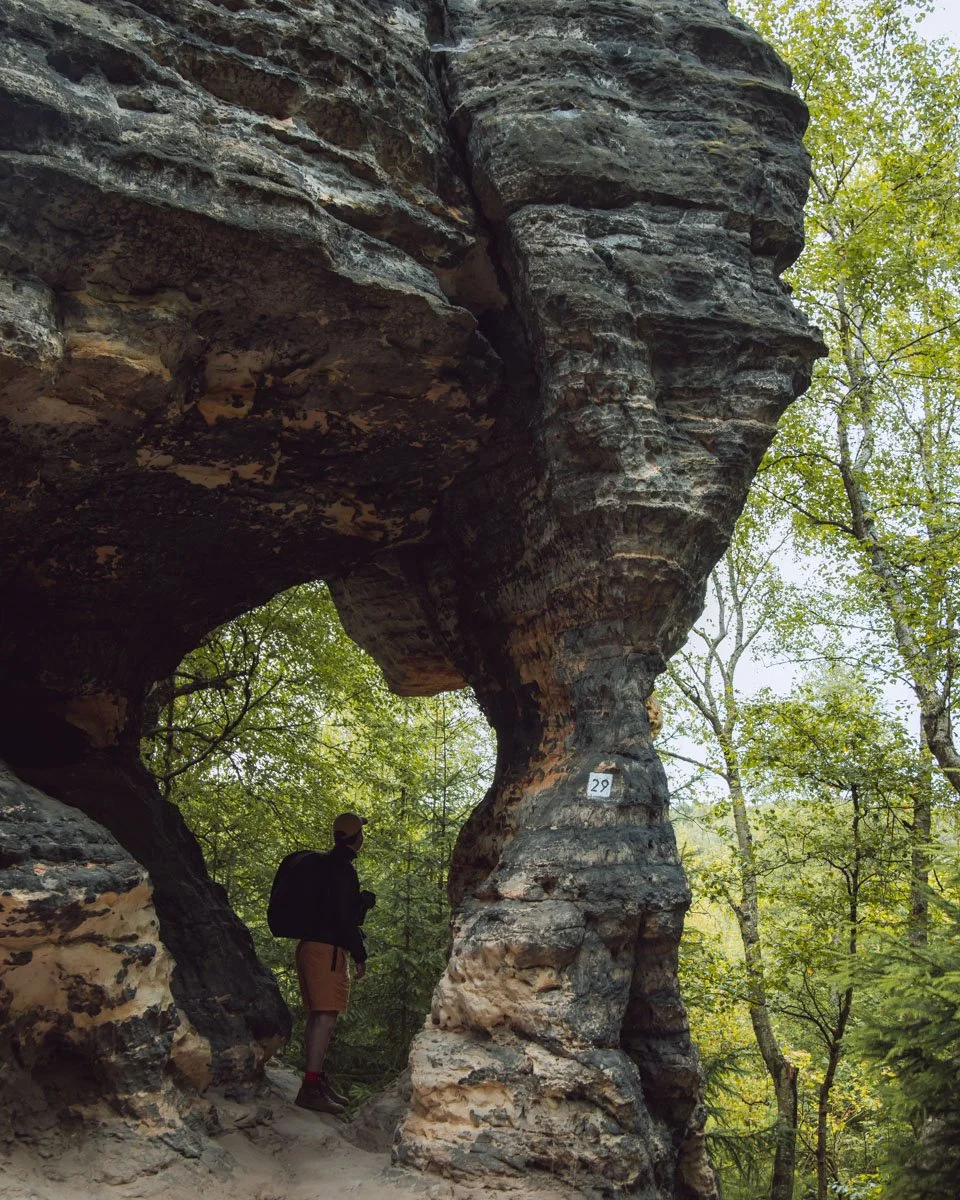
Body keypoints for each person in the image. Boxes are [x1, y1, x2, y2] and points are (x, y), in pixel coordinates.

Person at [294, 811, 375, 1115]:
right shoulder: (342, 870)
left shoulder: (322, 866)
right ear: (356, 839)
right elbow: (343, 919)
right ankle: (311, 1088)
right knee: (325, 1017)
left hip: (309, 947)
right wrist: (360, 954)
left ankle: (315, 1080)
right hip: (327, 951)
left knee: (318, 1016)